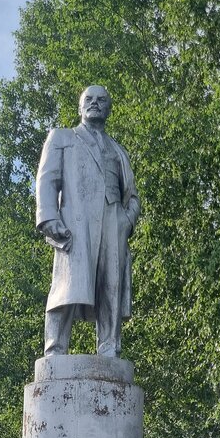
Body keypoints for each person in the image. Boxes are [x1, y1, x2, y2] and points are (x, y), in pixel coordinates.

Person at [35, 85, 140, 357]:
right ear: (80, 107)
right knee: (66, 285)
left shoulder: (118, 149)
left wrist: (126, 219)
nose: (95, 103)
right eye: (89, 99)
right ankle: (54, 350)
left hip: (114, 219)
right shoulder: (62, 137)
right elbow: (47, 180)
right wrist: (49, 217)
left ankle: (109, 349)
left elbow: (132, 194)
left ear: (109, 109)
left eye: (101, 100)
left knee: (111, 287)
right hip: (76, 221)